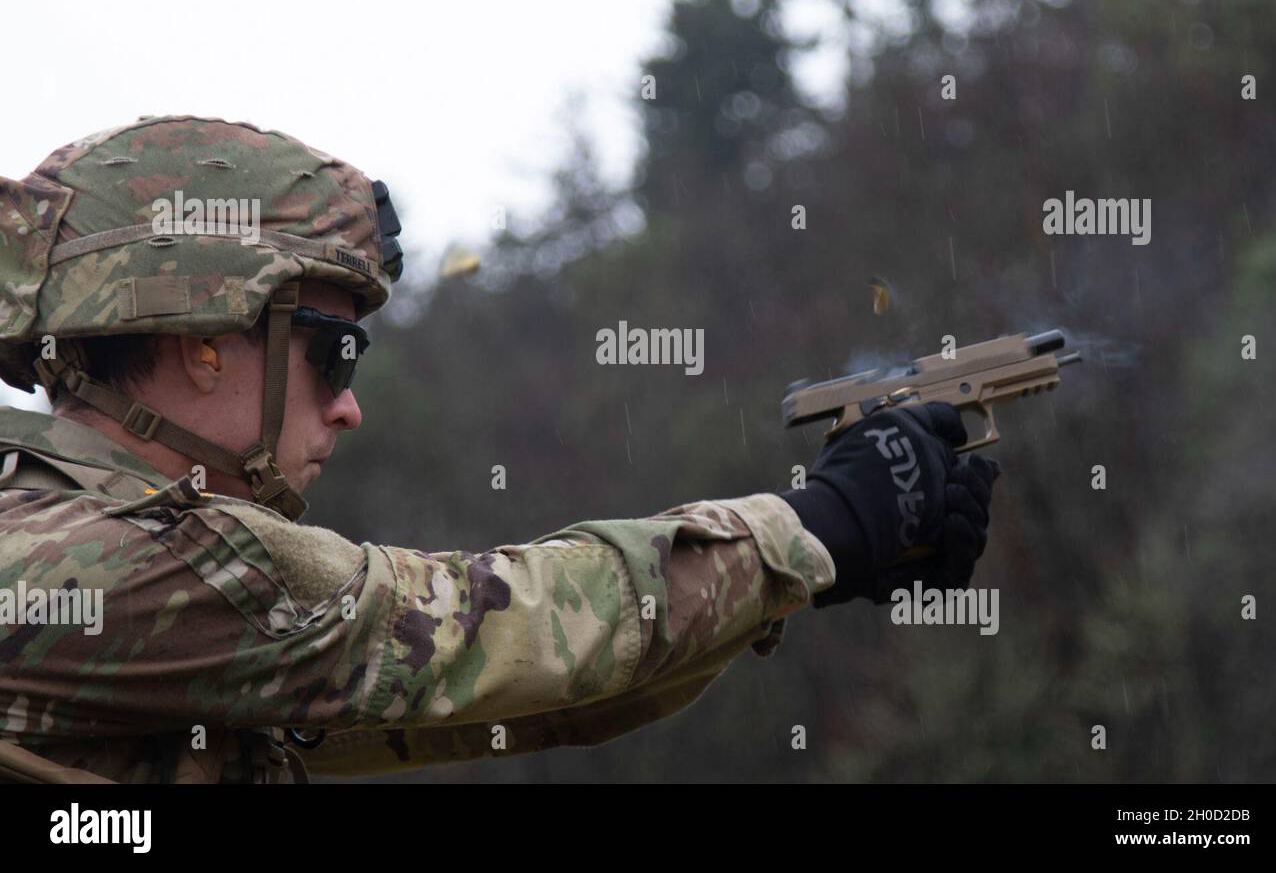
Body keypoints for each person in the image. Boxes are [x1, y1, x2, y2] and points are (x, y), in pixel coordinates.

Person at [0, 116, 999, 782]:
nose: (347, 409)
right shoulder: (96, 569)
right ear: (200, 345)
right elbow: (488, 631)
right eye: (330, 353)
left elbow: (495, 703)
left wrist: (803, 569)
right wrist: (811, 526)